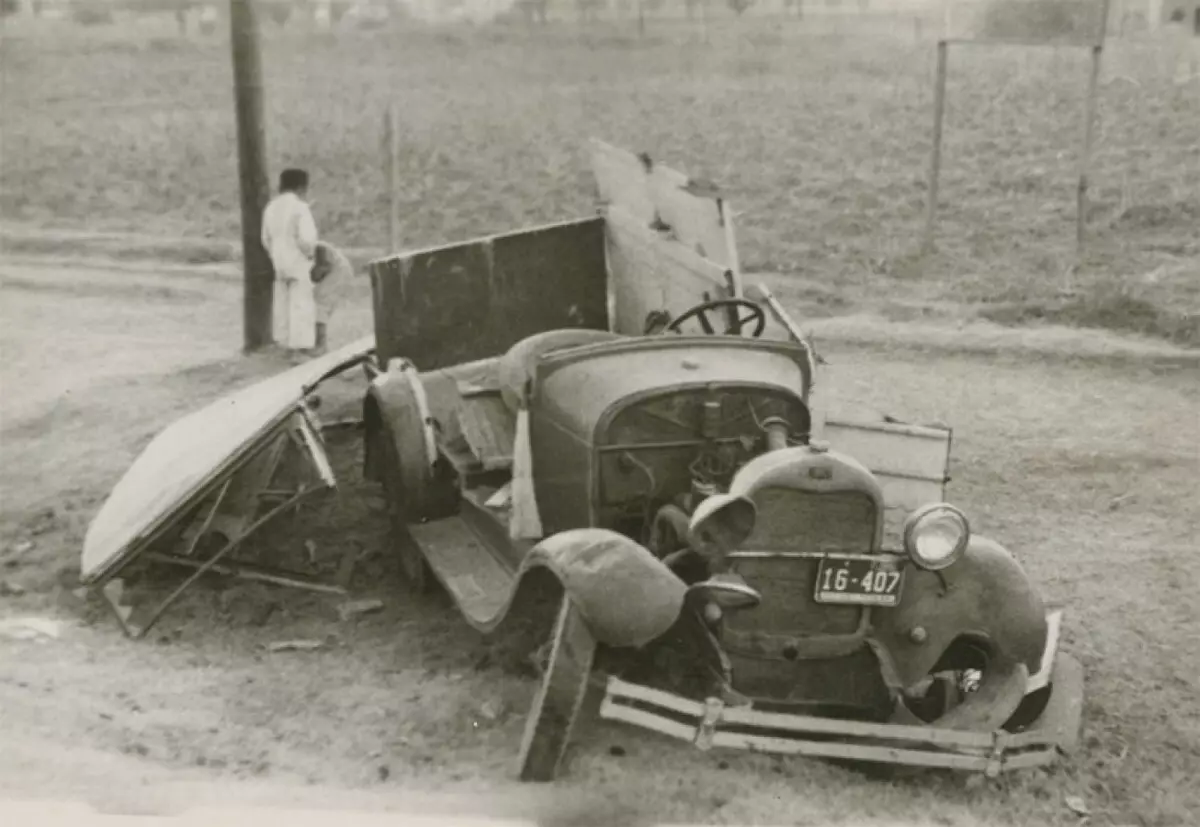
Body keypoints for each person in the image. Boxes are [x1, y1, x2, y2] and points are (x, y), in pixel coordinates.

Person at [261, 168, 318, 352]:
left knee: (282, 304)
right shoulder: (300, 207)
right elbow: (306, 239)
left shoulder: (271, 207)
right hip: (298, 260)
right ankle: (299, 348)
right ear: (301, 187)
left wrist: (274, 254)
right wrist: (309, 254)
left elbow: (265, 238)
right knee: (301, 303)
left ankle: (284, 344)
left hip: (278, 260)